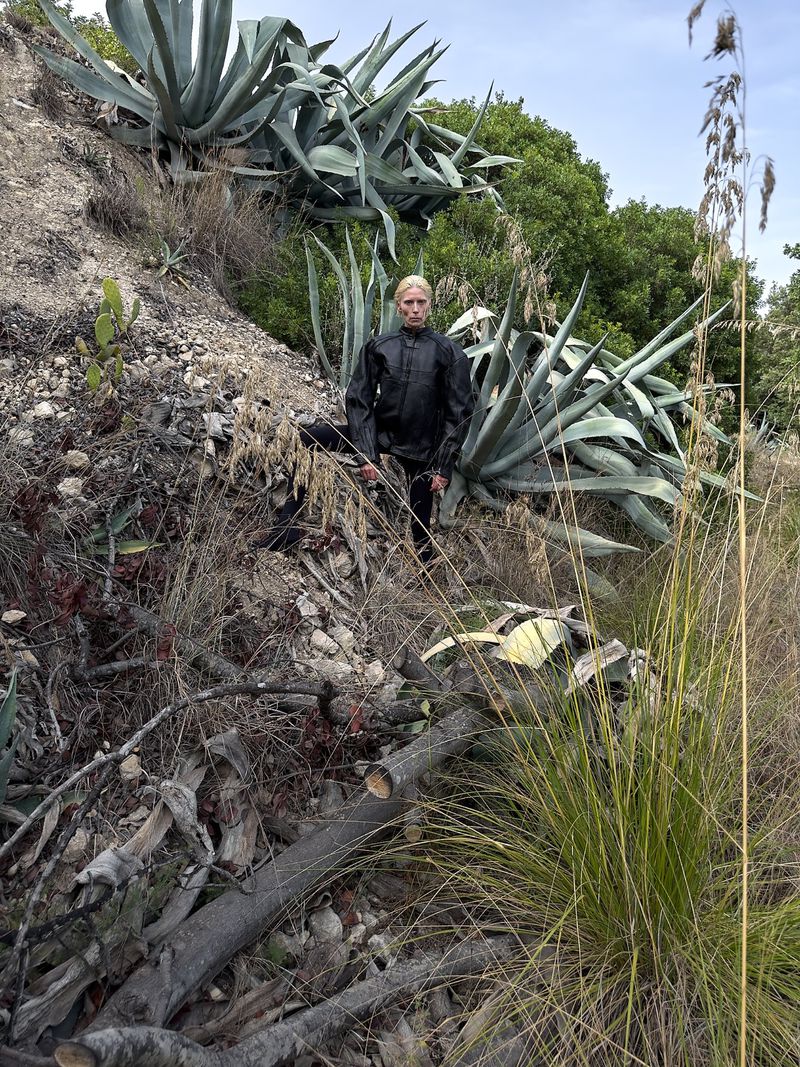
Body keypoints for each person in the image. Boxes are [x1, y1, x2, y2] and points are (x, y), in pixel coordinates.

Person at [256, 275, 475, 563]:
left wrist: (443, 465)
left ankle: (427, 581)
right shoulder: (379, 346)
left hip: (420, 448)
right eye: (409, 303)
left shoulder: (449, 352)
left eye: (421, 302)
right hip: (379, 433)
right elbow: (359, 399)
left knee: (420, 527)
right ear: (398, 307)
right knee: (308, 438)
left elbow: (458, 412)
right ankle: (287, 524)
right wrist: (365, 454)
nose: (415, 309)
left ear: (430, 305)